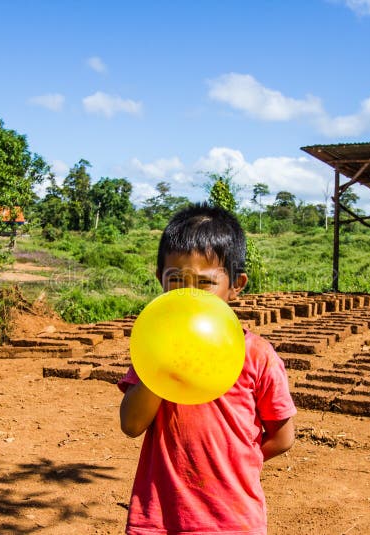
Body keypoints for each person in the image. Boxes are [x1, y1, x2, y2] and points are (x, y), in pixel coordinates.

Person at [118, 203, 296, 534]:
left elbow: (283, 437)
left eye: (204, 283)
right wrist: (163, 364)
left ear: (236, 284)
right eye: (176, 280)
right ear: (160, 280)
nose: (188, 295)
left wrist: (238, 463)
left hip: (231, 520)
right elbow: (131, 424)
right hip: (161, 517)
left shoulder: (256, 355)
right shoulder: (152, 348)